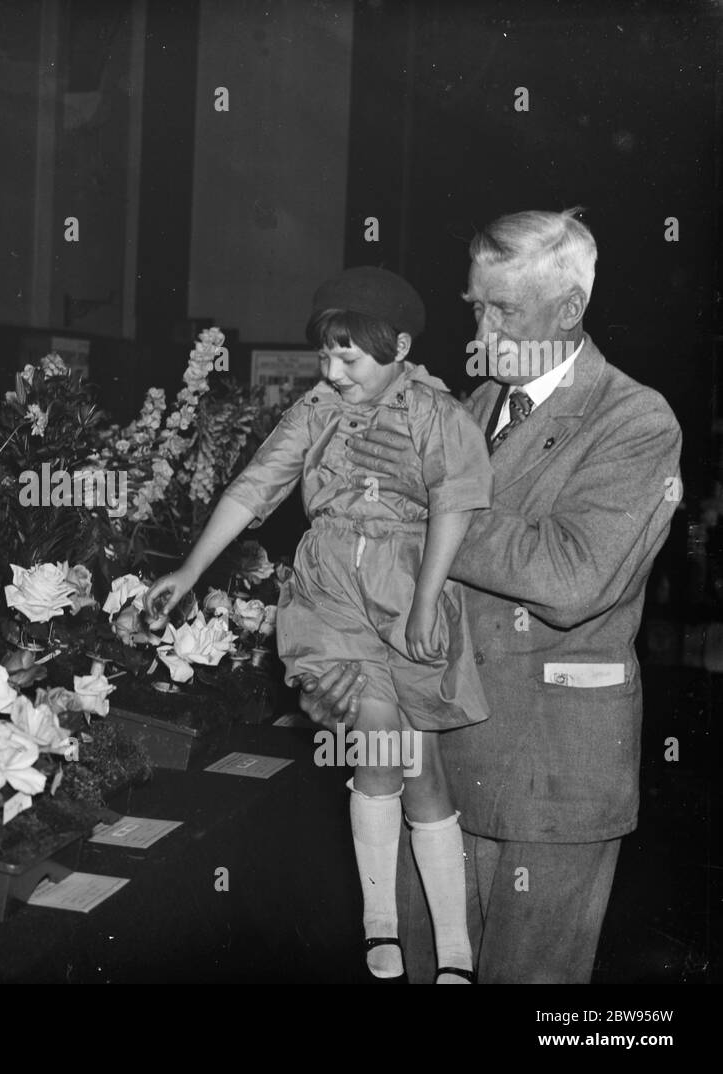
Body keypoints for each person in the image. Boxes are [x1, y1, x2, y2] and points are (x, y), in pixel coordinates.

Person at [297, 209, 683, 983]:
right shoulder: (468, 406)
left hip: (549, 774)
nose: (481, 324)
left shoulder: (634, 420)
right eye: (476, 304)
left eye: (503, 307)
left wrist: (431, 504)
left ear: (569, 310)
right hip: (435, 757)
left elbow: (574, 579)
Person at [148, 266, 494, 983]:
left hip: (407, 590)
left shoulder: (437, 413)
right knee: (377, 751)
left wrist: (428, 601)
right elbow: (255, 487)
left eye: (350, 357)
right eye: (326, 355)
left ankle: (456, 951)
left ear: (398, 346)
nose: (333, 372)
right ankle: (380, 928)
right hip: (333, 594)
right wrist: (189, 570)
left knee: (422, 769)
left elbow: (455, 506)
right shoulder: (315, 409)